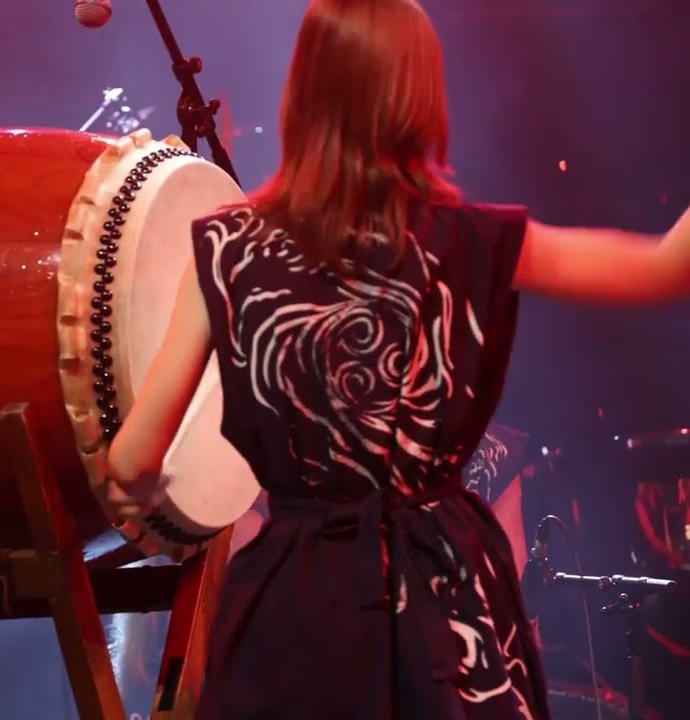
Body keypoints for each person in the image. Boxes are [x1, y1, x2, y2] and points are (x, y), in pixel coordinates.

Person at [102, 0, 690, 717]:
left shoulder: (223, 251)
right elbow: (669, 267)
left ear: (304, 91)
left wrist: (153, 494)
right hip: (445, 603)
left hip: (296, 601)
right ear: (420, 98)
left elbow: (133, 460)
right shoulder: (473, 241)